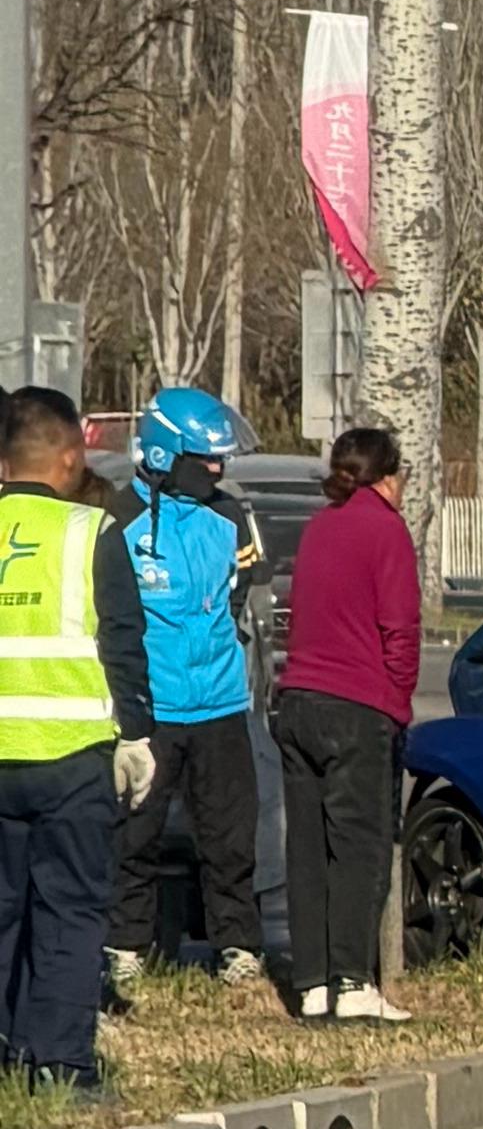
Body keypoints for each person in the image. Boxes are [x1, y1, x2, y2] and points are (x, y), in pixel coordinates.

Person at [0, 385, 150, 1089]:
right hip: (70, 757)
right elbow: (123, 644)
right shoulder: (93, 535)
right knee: (68, 913)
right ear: (69, 459)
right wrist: (138, 738)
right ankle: (59, 1064)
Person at [108, 382, 265, 993]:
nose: (217, 469)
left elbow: (243, 593)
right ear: (162, 456)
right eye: (204, 460)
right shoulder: (117, 521)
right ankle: (125, 944)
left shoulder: (230, 514)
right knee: (134, 837)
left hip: (222, 704)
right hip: (154, 708)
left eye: (221, 458)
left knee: (230, 837)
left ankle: (238, 947)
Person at [276, 420, 422, 1022]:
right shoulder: (385, 530)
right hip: (355, 705)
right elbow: (401, 630)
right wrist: (397, 704)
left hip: (298, 699)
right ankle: (354, 981)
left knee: (307, 846)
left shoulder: (320, 526)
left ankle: (311, 983)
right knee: (358, 847)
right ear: (387, 477)